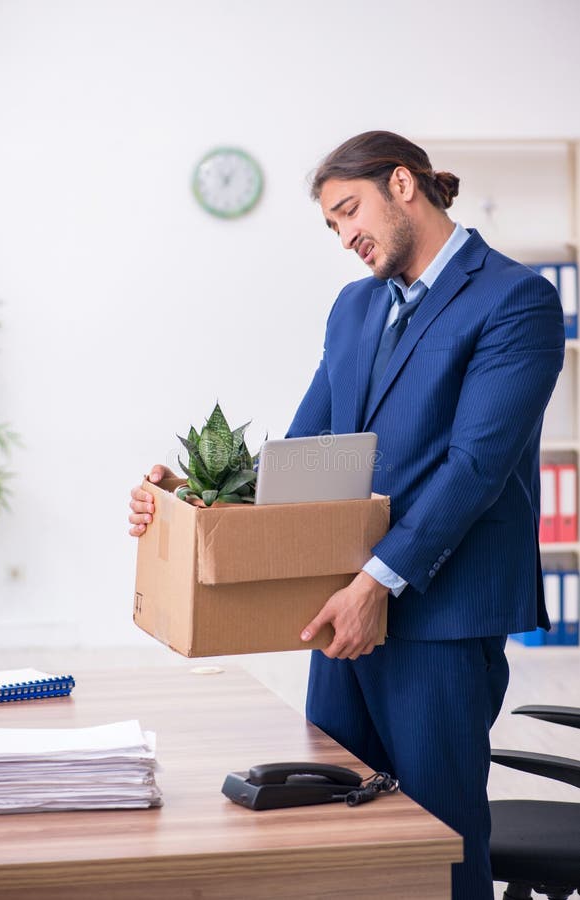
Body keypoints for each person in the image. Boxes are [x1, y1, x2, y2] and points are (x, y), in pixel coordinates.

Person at [129, 131, 565, 900]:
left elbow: (474, 468)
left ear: (403, 184)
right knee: (333, 820)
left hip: (439, 610)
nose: (345, 237)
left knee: (434, 833)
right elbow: (304, 453)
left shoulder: (514, 298)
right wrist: (193, 492)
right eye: (331, 226)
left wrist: (377, 582)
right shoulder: (355, 307)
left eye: (347, 210)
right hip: (340, 608)